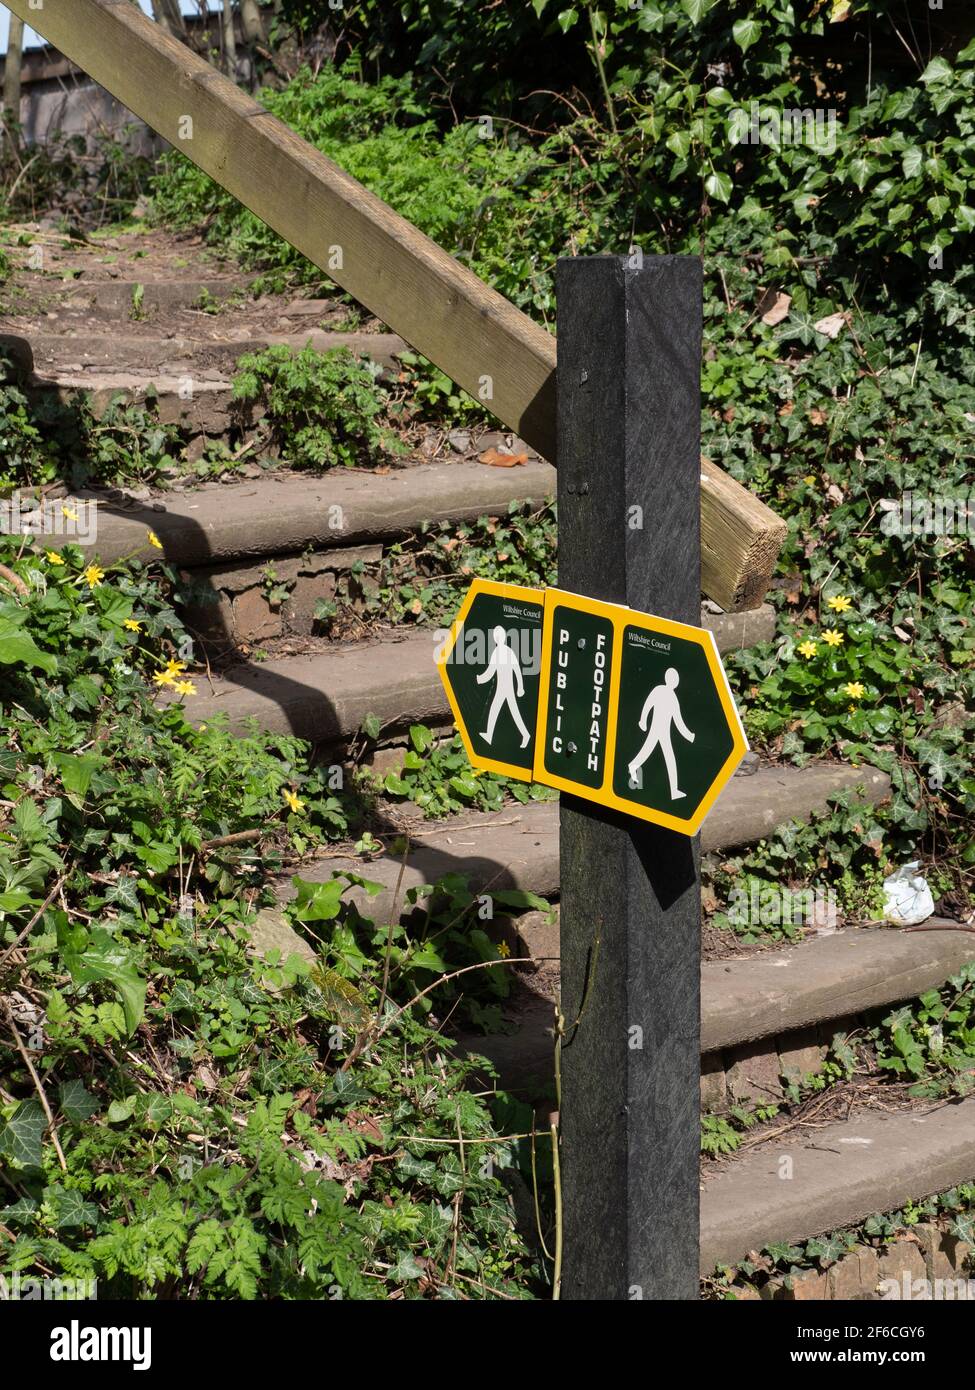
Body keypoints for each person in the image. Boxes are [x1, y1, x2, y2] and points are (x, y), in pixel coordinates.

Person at [627, 667, 694, 799]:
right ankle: (673, 791)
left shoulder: (671, 697)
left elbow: (678, 720)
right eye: (675, 679)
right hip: (657, 729)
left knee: (652, 753)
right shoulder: (660, 690)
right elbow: (648, 704)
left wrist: (689, 735)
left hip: (663, 732)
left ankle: (633, 766)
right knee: (666, 757)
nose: (676, 681)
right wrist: (642, 720)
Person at [477, 626, 531, 748]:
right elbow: (492, 671)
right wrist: (480, 679)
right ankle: (489, 735)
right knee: (496, 709)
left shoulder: (502, 652)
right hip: (503, 687)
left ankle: (525, 735)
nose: (497, 638)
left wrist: (520, 687)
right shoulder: (505, 651)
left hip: (506, 687)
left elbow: (515, 669)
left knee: (512, 712)